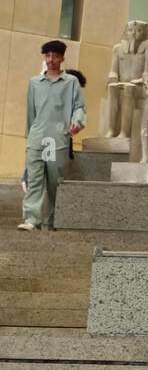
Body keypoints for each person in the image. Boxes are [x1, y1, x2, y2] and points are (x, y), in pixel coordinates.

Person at [18, 41, 86, 231]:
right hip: (37, 138)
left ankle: (54, 220)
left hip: (57, 140)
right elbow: (30, 113)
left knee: (55, 183)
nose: (51, 60)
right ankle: (32, 220)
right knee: (35, 180)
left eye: (55, 56)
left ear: (62, 58)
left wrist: (77, 123)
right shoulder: (34, 83)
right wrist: (30, 136)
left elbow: (79, 107)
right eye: (47, 55)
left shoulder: (71, 82)